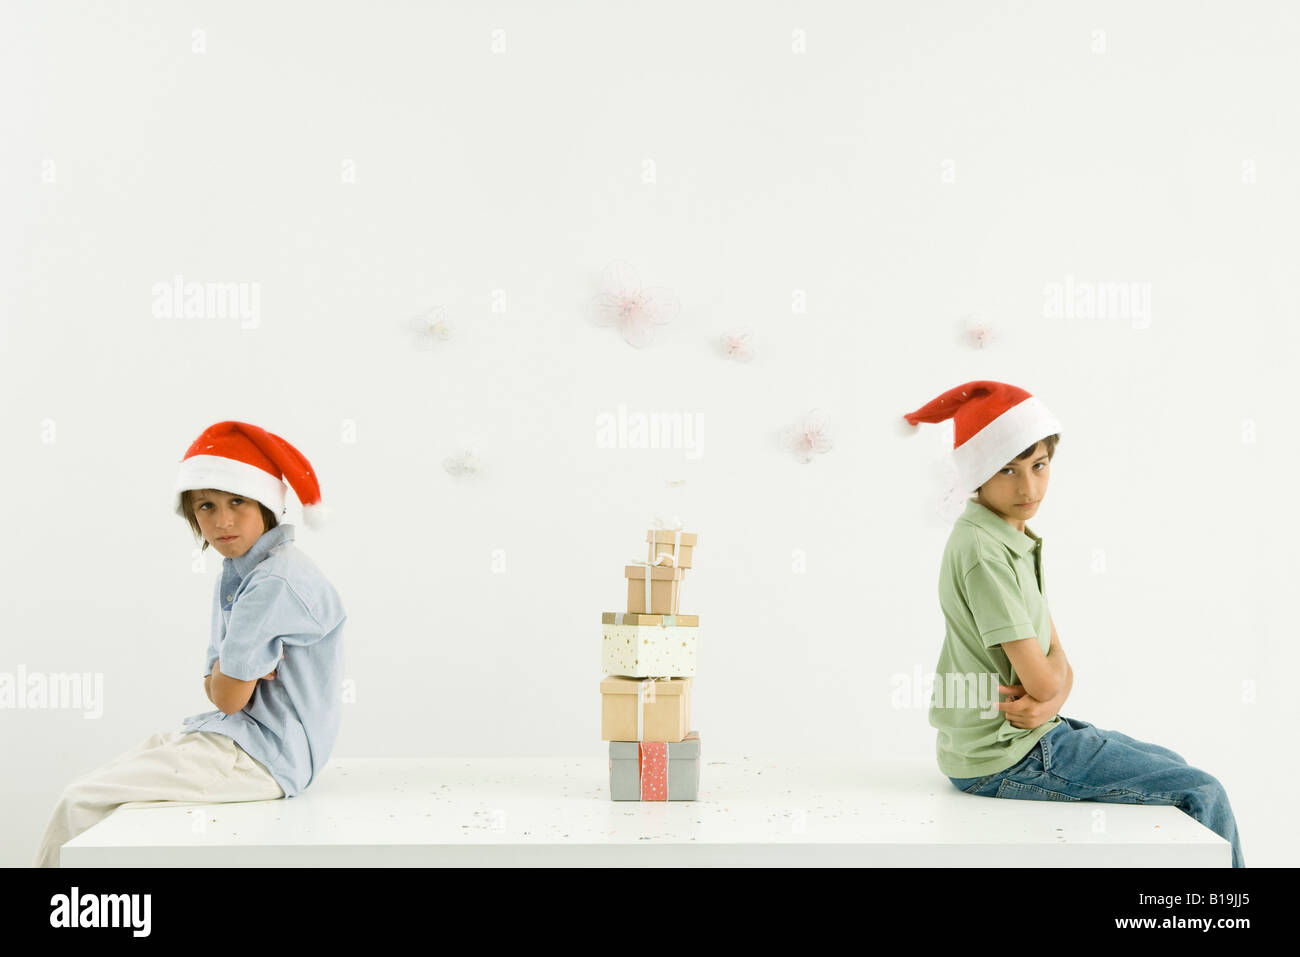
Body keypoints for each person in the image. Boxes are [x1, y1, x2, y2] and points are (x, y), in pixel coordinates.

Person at [902, 380, 1244, 868]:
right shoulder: (984, 552)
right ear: (978, 473)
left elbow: (1056, 656)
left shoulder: (1008, 535)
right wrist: (1052, 692)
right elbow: (1044, 677)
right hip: (1005, 755)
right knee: (1201, 791)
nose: (1029, 488)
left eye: (1039, 466)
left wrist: (1053, 697)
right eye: (1007, 470)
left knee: (1177, 766)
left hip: (1025, 734)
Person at [34, 420, 345, 867]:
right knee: (117, 777)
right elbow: (217, 685)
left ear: (266, 504)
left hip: (263, 756)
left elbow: (228, 697)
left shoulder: (274, 582)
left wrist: (231, 674)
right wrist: (238, 669)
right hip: (240, 738)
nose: (222, 521)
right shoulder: (244, 570)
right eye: (205, 506)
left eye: (237, 501)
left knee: (78, 802)